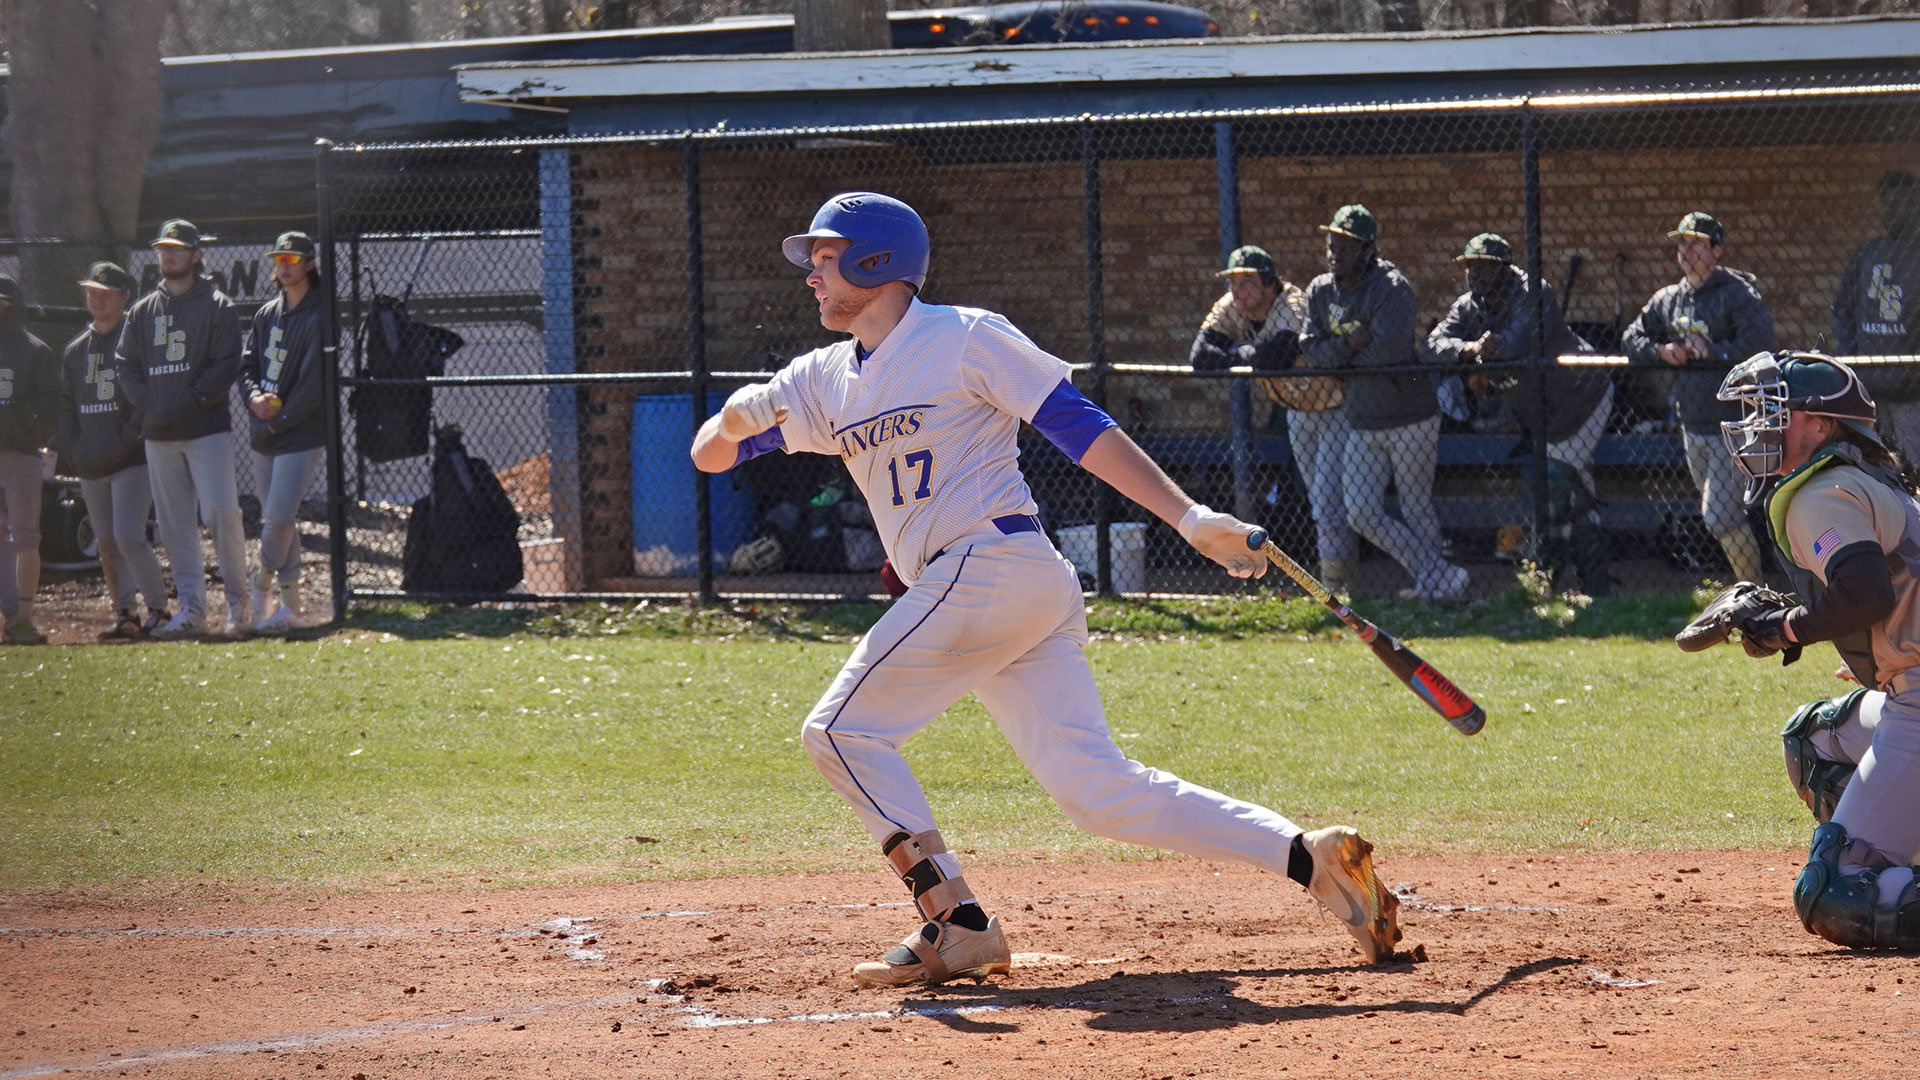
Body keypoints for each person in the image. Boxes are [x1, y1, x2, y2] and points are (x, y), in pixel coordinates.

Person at [691, 191, 1403, 986]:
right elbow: (711, 458)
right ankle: (1310, 861)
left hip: (994, 566)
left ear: (875, 260)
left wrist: (1189, 516)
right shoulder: (825, 379)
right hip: (987, 590)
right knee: (1099, 793)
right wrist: (732, 419)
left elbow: (1075, 423)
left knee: (840, 732)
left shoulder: (961, 336)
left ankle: (954, 920)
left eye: (826, 257)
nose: (812, 274)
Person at [1710, 350, 1920, 950]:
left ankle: (1872, 864)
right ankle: (1891, 839)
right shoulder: (1855, 481)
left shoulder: (1818, 495)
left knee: (1834, 891)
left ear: (1822, 427)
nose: (1760, 425)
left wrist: (1783, 628)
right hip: (1910, 690)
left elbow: (1864, 593)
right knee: (1817, 736)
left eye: (1777, 411)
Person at [1424, 233, 1614, 596]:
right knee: (1570, 493)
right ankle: (1588, 592)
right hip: (1543, 414)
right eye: (1469, 267)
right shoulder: (1469, 307)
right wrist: (1470, 350)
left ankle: (1552, 584)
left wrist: (1482, 366)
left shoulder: (1533, 292)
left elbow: (1512, 346)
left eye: (1484, 267)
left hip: (1583, 397)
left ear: (1505, 270)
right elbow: (1431, 345)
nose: (1474, 275)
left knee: (1558, 482)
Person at [1299, 204, 1467, 601]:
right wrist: (1347, 345)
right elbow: (1309, 347)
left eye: (1345, 246)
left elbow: (1387, 353)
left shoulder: (1392, 288)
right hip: (1362, 418)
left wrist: (1340, 359)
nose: (1334, 253)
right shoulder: (1321, 290)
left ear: (1367, 250)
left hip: (1410, 416)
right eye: (1331, 245)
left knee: (1415, 506)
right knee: (1359, 512)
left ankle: (1434, 589)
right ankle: (1439, 576)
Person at [115, 218, 252, 640]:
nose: (168, 255)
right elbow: (126, 365)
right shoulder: (142, 311)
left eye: (176, 248)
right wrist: (152, 404)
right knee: (174, 524)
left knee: (221, 513)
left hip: (205, 428)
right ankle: (192, 611)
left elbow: (225, 364)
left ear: (196, 254)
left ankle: (238, 605)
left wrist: (186, 402)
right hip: (159, 434)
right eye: (162, 249)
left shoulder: (217, 305)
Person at [1190, 245, 1356, 593]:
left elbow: (1279, 353)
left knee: (1328, 501)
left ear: (1269, 284)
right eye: (1233, 282)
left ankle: (1338, 588)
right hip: (1297, 412)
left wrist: (1234, 356)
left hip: (1333, 407)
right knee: (1320, 501)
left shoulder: (1292, 303)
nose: (1238, 290)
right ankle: (1338, 585)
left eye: (1247, 282)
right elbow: (1201, 355)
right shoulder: (1231, 305)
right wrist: (1246, 355)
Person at [1622, 211, 1775, 583]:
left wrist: (1713, 351)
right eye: (1681, 244)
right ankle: (1748, 588)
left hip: (1733, 422)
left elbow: (1761, 343)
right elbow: (1631, 337)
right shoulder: (1670, 298)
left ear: (1717, 250)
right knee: (1724, 516)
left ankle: (1752, 592)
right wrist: (1662, 350)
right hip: (1692, 422)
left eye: (1695, 244)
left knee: (1720, 516)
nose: (1685, 251)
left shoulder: (1737, 294)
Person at [56, 262, 171, 640]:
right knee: (106, 542)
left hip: (130, 462)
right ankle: (125, 613)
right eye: (92, 292)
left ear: (125, 298)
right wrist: (74, 449)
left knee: (127, 535)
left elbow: (144, 403)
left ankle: (159, 609)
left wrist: (123, 444)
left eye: (106, 293)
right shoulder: (75, 350)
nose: (97, 299)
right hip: (91, 465)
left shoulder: (136, 342)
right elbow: (66, 407)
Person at [240, 232, 328, 633]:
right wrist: (255, 399)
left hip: (299, 433)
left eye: (293, 259)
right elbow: (248, 368)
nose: (284, 266)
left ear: (309, 264)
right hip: (265, 431)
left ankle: (259, 586)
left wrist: (279, 419)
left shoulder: (319, 315)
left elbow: (314, 384)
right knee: (283, 520)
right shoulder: (264, 315)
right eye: (279, 259)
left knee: (276, 518)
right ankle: (290, 607)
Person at [1831, 170, 1920, 467]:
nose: (1894, 210)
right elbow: (1842, 307)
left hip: (1912, 393)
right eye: (1889, 203)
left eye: (1903, 203)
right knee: (1876, 467)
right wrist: (1852, 354)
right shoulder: (1867, 254)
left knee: (1915, 467)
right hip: (1870, 390)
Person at [0, 273, 59, 645]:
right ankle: (8, 613)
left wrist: (13, 418)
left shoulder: (35, 350)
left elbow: (49, 408)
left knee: (25, 537)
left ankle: (22, 617)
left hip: (20, 453)